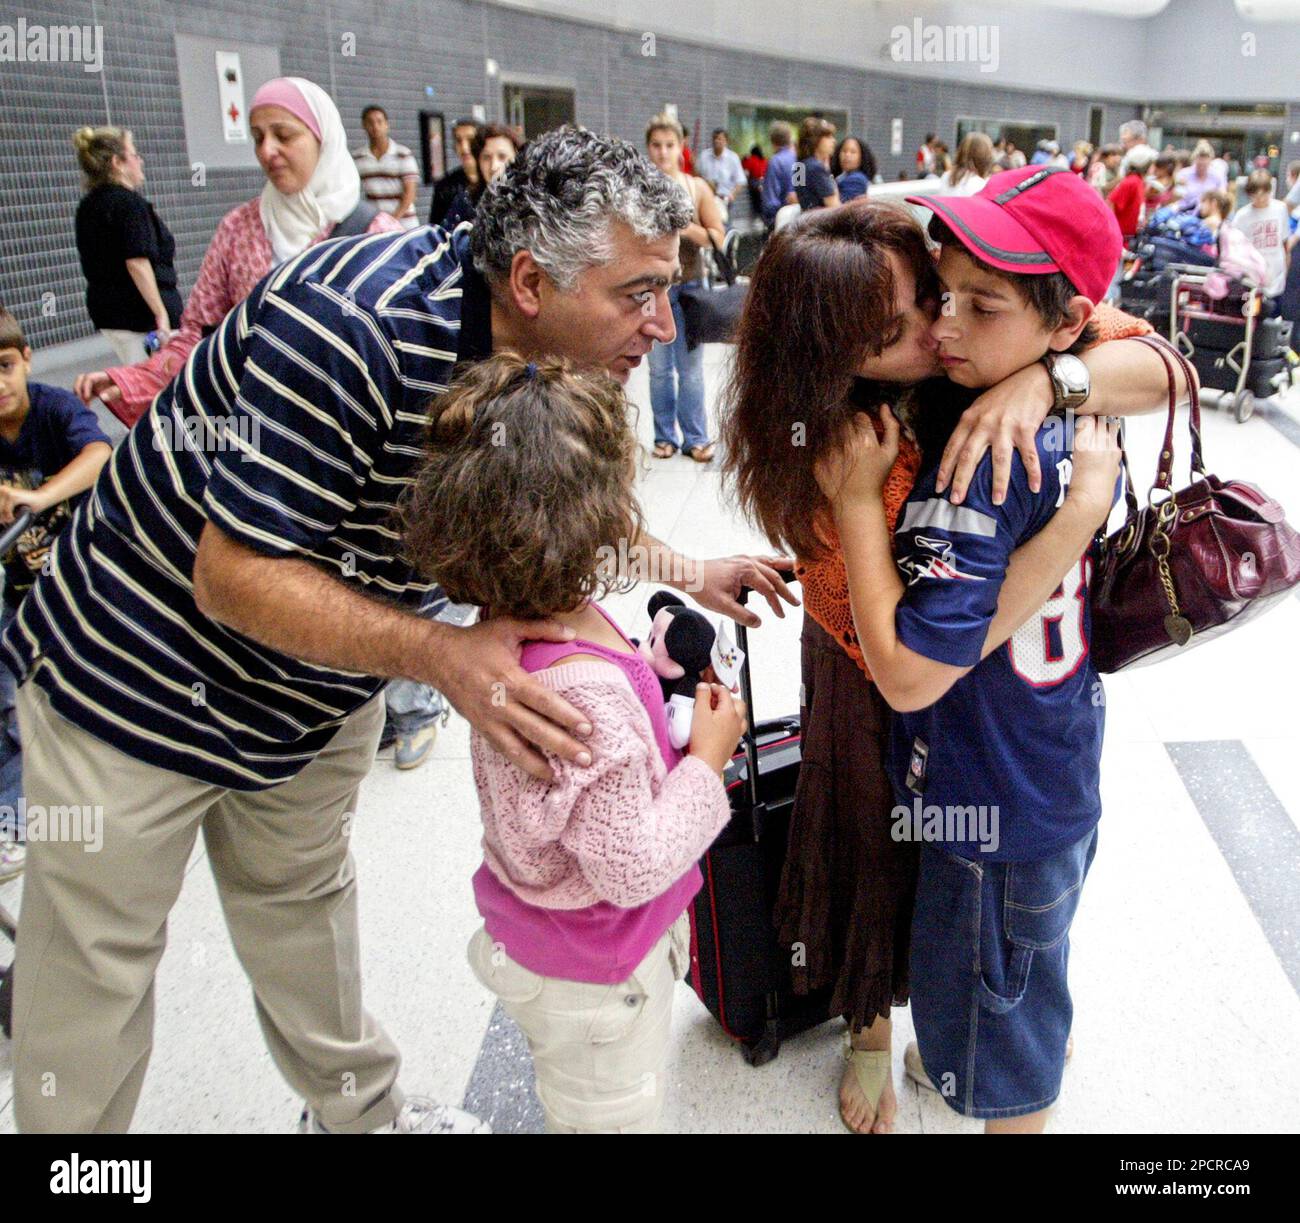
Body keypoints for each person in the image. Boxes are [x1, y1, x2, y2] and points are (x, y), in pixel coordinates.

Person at [4, 124, 795, 1135]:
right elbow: (232, 572)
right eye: (637, 292)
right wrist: (442, 655)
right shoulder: (353, 326)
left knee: (303, 916)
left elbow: (555, 499)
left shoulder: (553, 367)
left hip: (317, 677)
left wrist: (689, 567)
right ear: (528, 281)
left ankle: (360, 1116)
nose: (661, 320)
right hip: (138, 672)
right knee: (95, 971)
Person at [720, 192, 1189, 1134]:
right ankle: (871, 1024)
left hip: (971, 698)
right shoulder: (822, 446)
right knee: (870, 843)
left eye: (942, 295)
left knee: (977, 906)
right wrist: (1071, 518)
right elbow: (894, 659)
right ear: (827, 359)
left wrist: (1054, 381)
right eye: (898, 329)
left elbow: (1164, 365)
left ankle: (981, 1030)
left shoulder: (993, 356)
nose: (938, 329)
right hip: (872, 659)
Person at [813, 165, 1133, 1133]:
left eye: (980, 306)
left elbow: (910, 675)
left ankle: (1003, 1069)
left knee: (1003, 1045)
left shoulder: (976, 460)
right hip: (1054, 773)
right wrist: (1078, 504)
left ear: (1066, 320)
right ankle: (1002, 1035)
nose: (944, 326)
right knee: (1020, 978)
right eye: (942, 294)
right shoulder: (1078, 418)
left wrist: (853, 506)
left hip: (990, 806)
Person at [403, 352, 745, 1132]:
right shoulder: (576, 692)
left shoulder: (512, 631)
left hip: (547, 939)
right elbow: (629, 865)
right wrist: (706, 761)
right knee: (605, 1115)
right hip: (601, 976)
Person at [74, 77, 402, 428]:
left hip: (351, 437)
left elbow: (408, 353)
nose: (267, 151)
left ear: (324, 138)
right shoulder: (238, 229)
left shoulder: (379, 237)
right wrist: (134, 379)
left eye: (284, 135)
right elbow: (199, 335)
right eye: (258, 138)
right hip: (262, 433)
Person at [0, 306, 112, 881]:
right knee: (10, 707)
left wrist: (39, 497)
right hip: (19, 592)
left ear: (25, 361)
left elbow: (98, 455)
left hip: (82, 587)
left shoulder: (53, 409)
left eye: (5, 366)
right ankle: (15, 821)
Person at [644, 113, 725, 464]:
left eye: (669, 145)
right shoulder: (638, 189)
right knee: (659, 368)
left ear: (681, 148)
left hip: (689, 286)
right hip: (649, 290)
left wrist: (684, 225)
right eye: (656, 146)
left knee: (690, 369)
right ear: (648, 148)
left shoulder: (696, 188)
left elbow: (717, 237)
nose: (663, 153)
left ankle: (696, 438)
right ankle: (664, 437)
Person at [71, 126, 182, 365]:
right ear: (117, 163)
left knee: (138, 378)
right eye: (134, 155)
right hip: (140, 318)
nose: (139, 161)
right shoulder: (129, 205)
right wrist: (160, 314)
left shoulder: (88, 206)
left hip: (110, 315)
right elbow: (137, 263)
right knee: (157, 388)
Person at [441, 123, 521, 231]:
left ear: (516, 158)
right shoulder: (466, 203)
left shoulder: (531, 200)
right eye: (486, 158)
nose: (494, 166)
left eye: (502, 157)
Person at [352, 105, 420, 229]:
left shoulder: (403, 154)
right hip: (377, 227)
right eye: (370, 122)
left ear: (386, 125)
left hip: (405, 225)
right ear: (364, 125)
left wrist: (392, 220)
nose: (375, 127)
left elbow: (410, 193)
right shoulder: (358, 158)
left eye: (379, 122)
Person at [1231, 169, 1293, 303]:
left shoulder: (1280, 209)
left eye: (1264, 194)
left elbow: (1285, 243)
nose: (1260, 199)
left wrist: (1285, 270)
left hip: (1277, 275)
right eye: (1255, 195)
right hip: (1252, 278)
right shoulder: (1242, 216)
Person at [429, 117, 479, 227]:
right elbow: (435, 230)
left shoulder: (495, 182)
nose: (465, 148)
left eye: (471, 140)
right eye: (459, 141)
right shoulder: (445, 186)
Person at [698, 128, 746, 222]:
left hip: (725, 200)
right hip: (707, 199)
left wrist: (732, 195)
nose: (716, 141)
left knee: (725, 226)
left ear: (726, 142)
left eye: (720, 139)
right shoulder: (704, 156)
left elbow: (741, 180)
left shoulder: (732, 158)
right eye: (715, 138)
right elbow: (698, 175)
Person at [795, 116, 839, 212]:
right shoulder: (817, 168)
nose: (833, 141)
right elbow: (835, 207)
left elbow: (799, 197)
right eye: (828, 137)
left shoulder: (798, 166)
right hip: (821, 223)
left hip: (805, 221)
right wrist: (828, 173)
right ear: (815, 140)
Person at [761, 121, 797, 225]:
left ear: (772, 141)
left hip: (780, 219)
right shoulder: (798, 160)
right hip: (797, 218)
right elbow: (800, 189)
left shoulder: (775, 162)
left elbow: (771, 200)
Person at [1176, 140, 1227, 213]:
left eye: (1205, 165)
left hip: (1208, 215)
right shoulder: (1183, 174)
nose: (1201, 168)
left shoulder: (1217, 176)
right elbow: (1176, 196)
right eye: (1199, 165)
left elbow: (1222, 197)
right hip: (1184, 212)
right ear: (1194, 160)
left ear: (1210, 161)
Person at [833, 137, 872, 202]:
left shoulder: (856, 180)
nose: (847, 155)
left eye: (853, 152)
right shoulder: (844, 176)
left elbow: (841, 207)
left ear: (861, 157)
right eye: (844, 151)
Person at [741, 143, 767, 217]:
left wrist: (744, 159)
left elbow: (745, 169)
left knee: (756, 201)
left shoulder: (750, 159)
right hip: (764, 181)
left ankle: (757, 215)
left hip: (755, 182)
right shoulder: (764, 160)